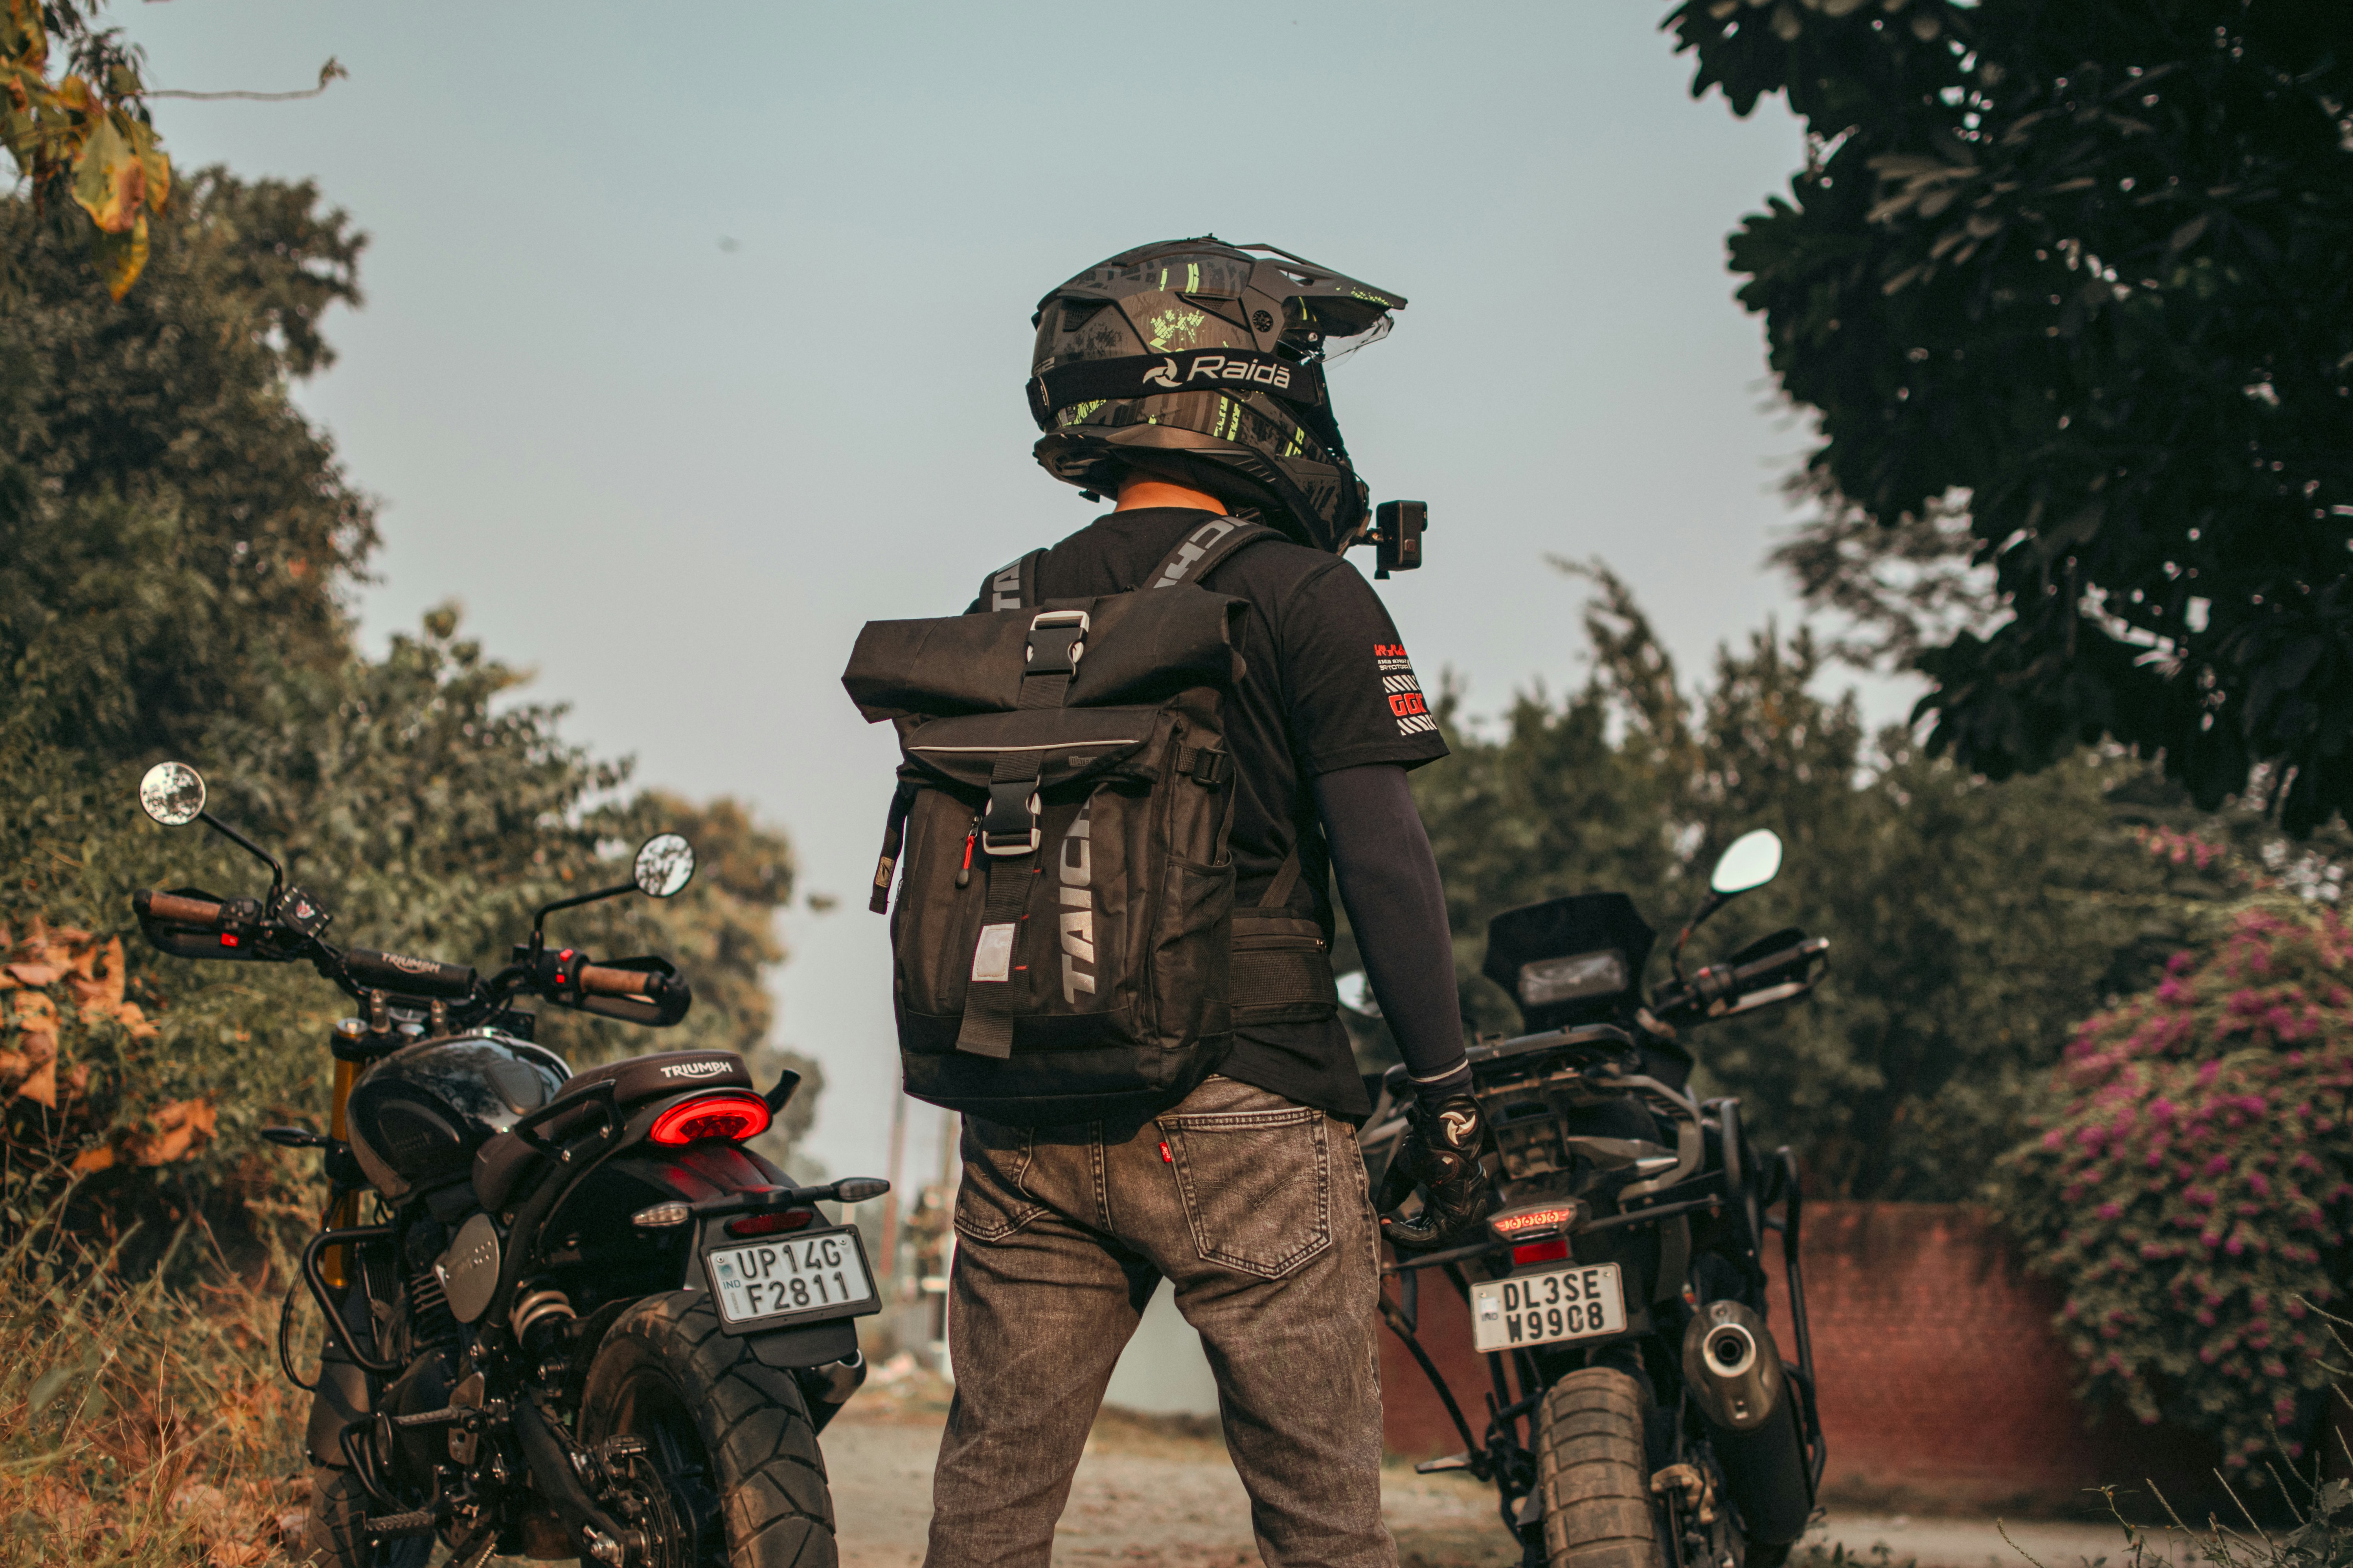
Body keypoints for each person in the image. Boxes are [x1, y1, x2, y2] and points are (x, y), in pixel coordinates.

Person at [923, 237, 1490, 1568]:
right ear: (1238, 387)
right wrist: (1448, 1086)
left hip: (1028, 1106)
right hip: (1251, 1096)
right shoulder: (1304, 592)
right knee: (1322, 1528)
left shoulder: (1005, 600)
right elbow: (1385, 862)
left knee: (990, 1512)